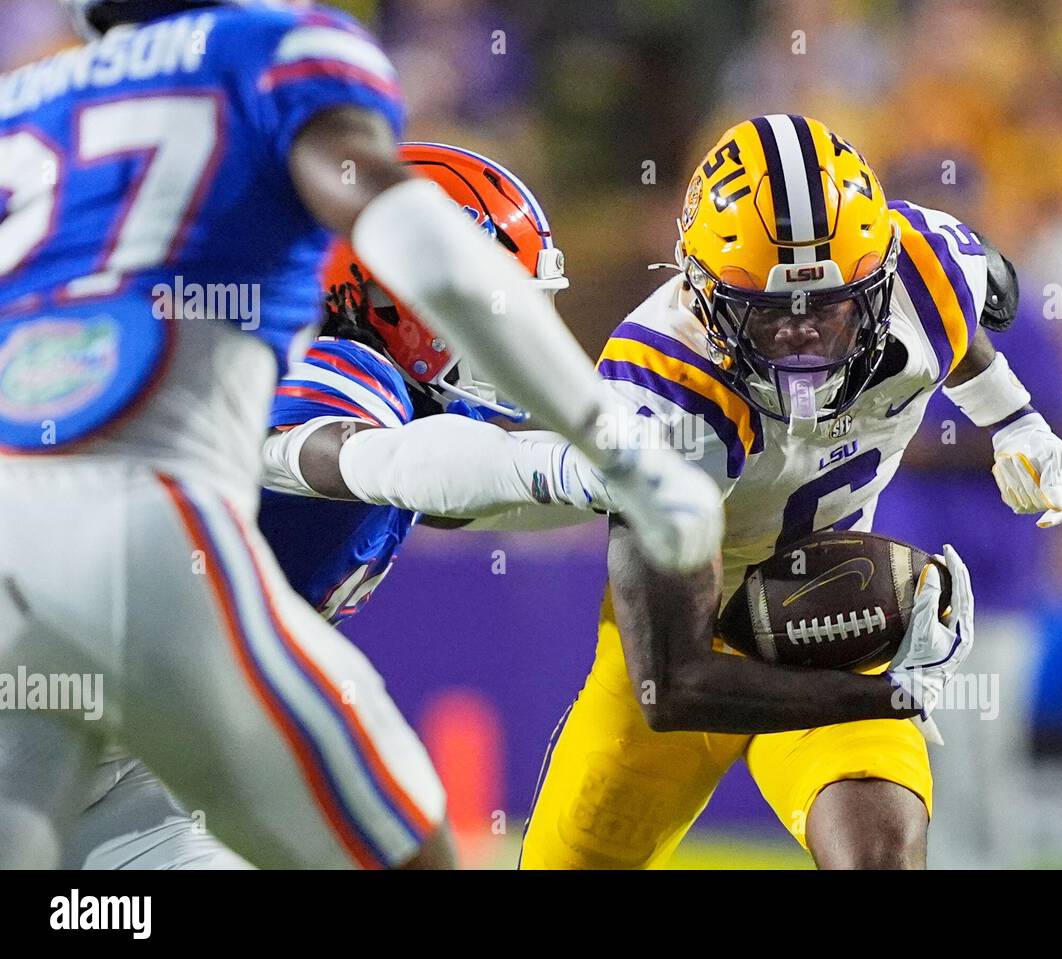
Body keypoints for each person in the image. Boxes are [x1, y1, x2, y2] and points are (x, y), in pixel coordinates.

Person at [0, 0, 720, 870]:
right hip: (136, 541)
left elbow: (467, 488)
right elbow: (384, 457)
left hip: (77, 679)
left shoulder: (28, 97)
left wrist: (675, 477)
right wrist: (606, 452)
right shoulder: (341, 351)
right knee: (408, 846)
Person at [519, 114, 1062, 869]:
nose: (801, 333)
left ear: (881, 282)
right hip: (686, 641)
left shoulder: (927, 272)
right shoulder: (661, 389)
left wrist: (1016, 422)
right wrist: (887, 696)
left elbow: (957, 323)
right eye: (767, 311)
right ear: (700, 292)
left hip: (835, 612)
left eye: (828, 304)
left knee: (879, 858)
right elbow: (672, 686)